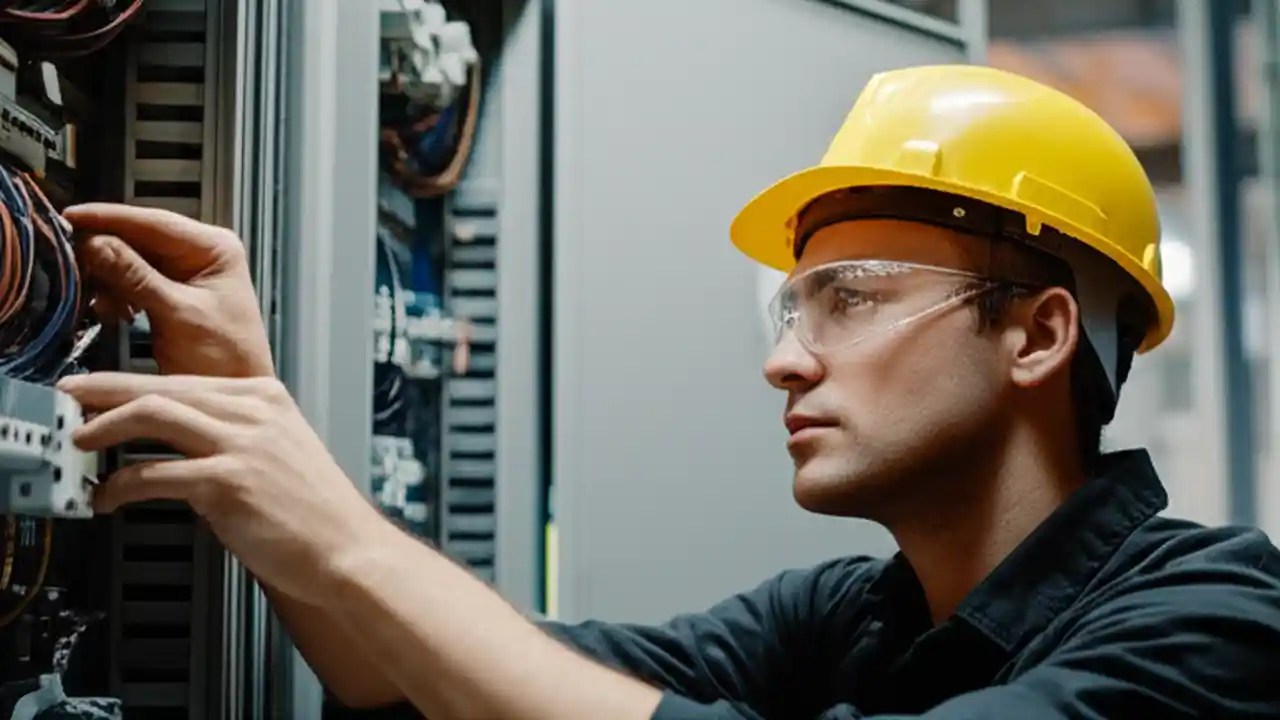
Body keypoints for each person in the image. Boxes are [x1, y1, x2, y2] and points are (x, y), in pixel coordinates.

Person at [57, 64, 1280, 719]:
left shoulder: (1221, 623)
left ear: (1037, 334)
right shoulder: (846, 619)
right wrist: (249, 432)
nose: (784, 358)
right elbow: (422, 680)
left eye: (847, 297)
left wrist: (327, 516)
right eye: (788, 308)